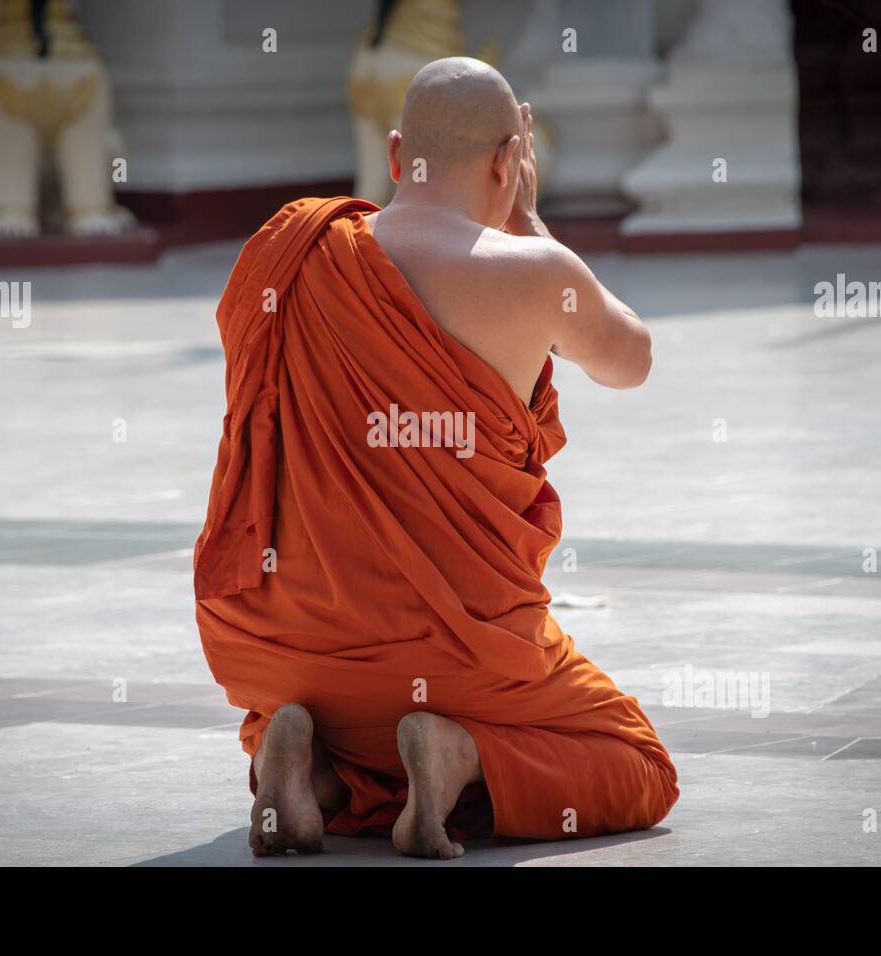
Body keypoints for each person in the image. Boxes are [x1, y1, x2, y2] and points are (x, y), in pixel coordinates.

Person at [193, 56, 676, 859]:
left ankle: (308, 766)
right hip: (457, 650)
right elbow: (633, 358)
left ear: (393, 156)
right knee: (638, 765)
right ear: (506, 162)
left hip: (282, 648)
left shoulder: (292, 249)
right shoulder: (537, 274)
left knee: (338, 717)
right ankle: (459, 755)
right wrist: (534, 230)